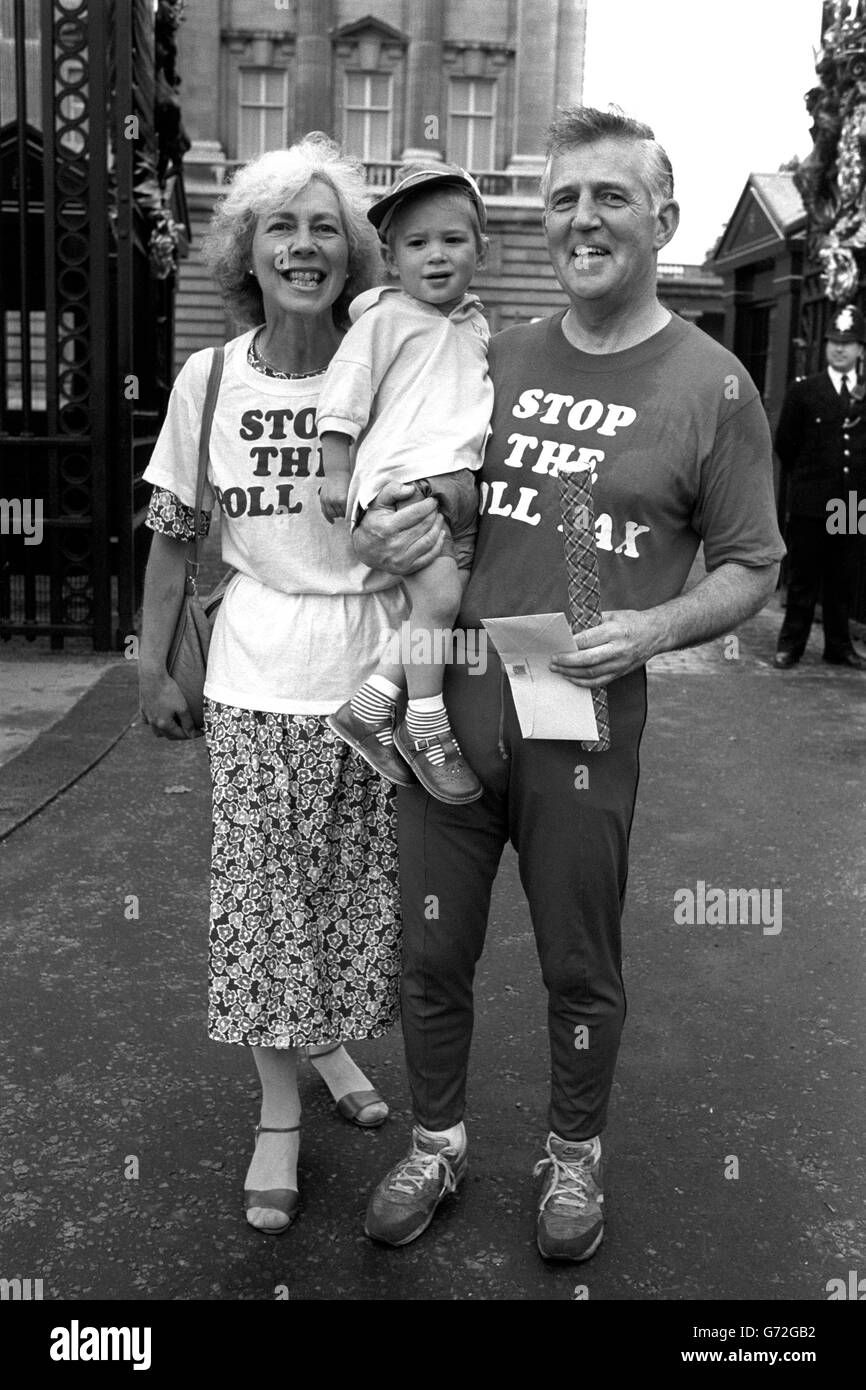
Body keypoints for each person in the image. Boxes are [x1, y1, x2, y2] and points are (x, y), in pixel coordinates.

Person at [353, 107, 787, 1262]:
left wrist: (652, 624)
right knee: (430, 950)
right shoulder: (491, 353)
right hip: (452, 689)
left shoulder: (711, 384)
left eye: (608, 196)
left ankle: (572, 1154)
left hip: (578, 694)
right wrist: (396, 523)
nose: (580, 220)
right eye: (561, 199)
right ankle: (436, 1140)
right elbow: (427, 478)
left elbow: (752, 564)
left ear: (663, 219)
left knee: (577, 960)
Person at [138, 135, 407, 1237]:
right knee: (263, 905)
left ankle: (330, 1044)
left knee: (346, 897)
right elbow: (172, 533)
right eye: (280, 226)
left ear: (353, 254)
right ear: (246, 251)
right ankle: (279, 1115)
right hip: (253, 676)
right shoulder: (210, 379)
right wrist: (150, 661)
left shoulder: (390, 366)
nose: (303, 246)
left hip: (374, 677)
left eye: (324, 227)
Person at [317, 165, 494, 805]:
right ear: (392, 260)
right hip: (409, 483)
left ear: (481, 250)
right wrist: (338, 472)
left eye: (452, 240)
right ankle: (426, 727)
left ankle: (368, 708)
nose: (436, 255)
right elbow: (344, 393)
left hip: (460, 488)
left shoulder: (475, 325)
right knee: (439, 603)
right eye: (417, 244)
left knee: (438, 608)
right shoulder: (385, 320)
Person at [773, 304, 866, 670]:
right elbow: (786, 444)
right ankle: (791, 645)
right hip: (812, 500)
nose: (839, 348)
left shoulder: (863, 392)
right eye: (833, 341)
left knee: (843, 578)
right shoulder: (805, 390)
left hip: (852, 503)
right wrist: (809, 481)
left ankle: (838, 646)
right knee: (803, 577)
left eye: (848, 342)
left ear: (860, 348)